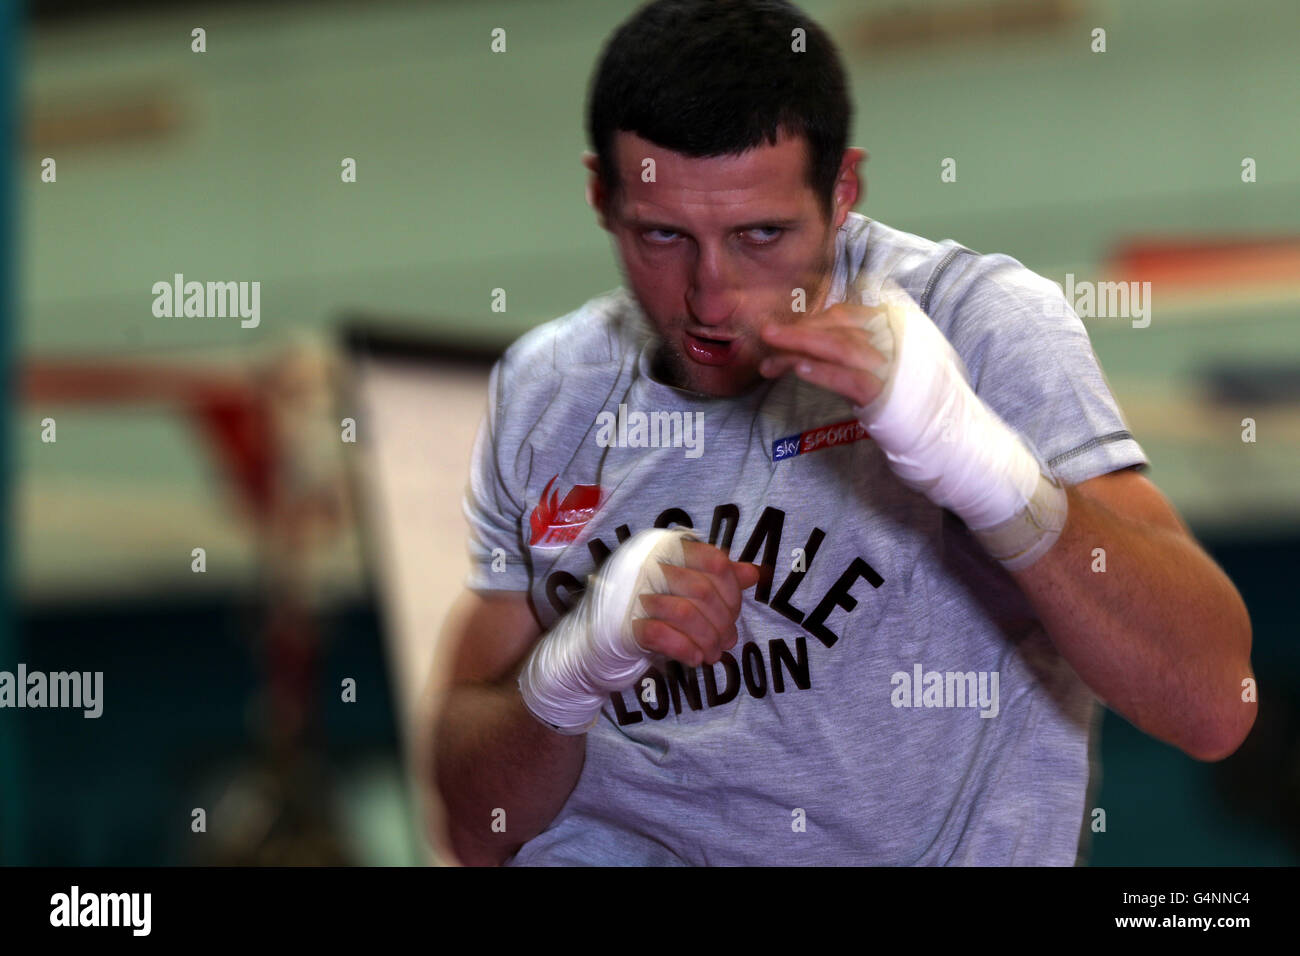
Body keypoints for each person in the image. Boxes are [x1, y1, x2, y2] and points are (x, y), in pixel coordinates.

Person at [428, 0, 1255, 866]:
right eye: (663, 236)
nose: (710, 297)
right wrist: (573, 668)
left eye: (761, 235)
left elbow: (1214, 704)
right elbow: (475, 827)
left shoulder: (973, 324)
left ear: (843, 190)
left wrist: (987, 471)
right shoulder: (548, 390)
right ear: (601, 194)